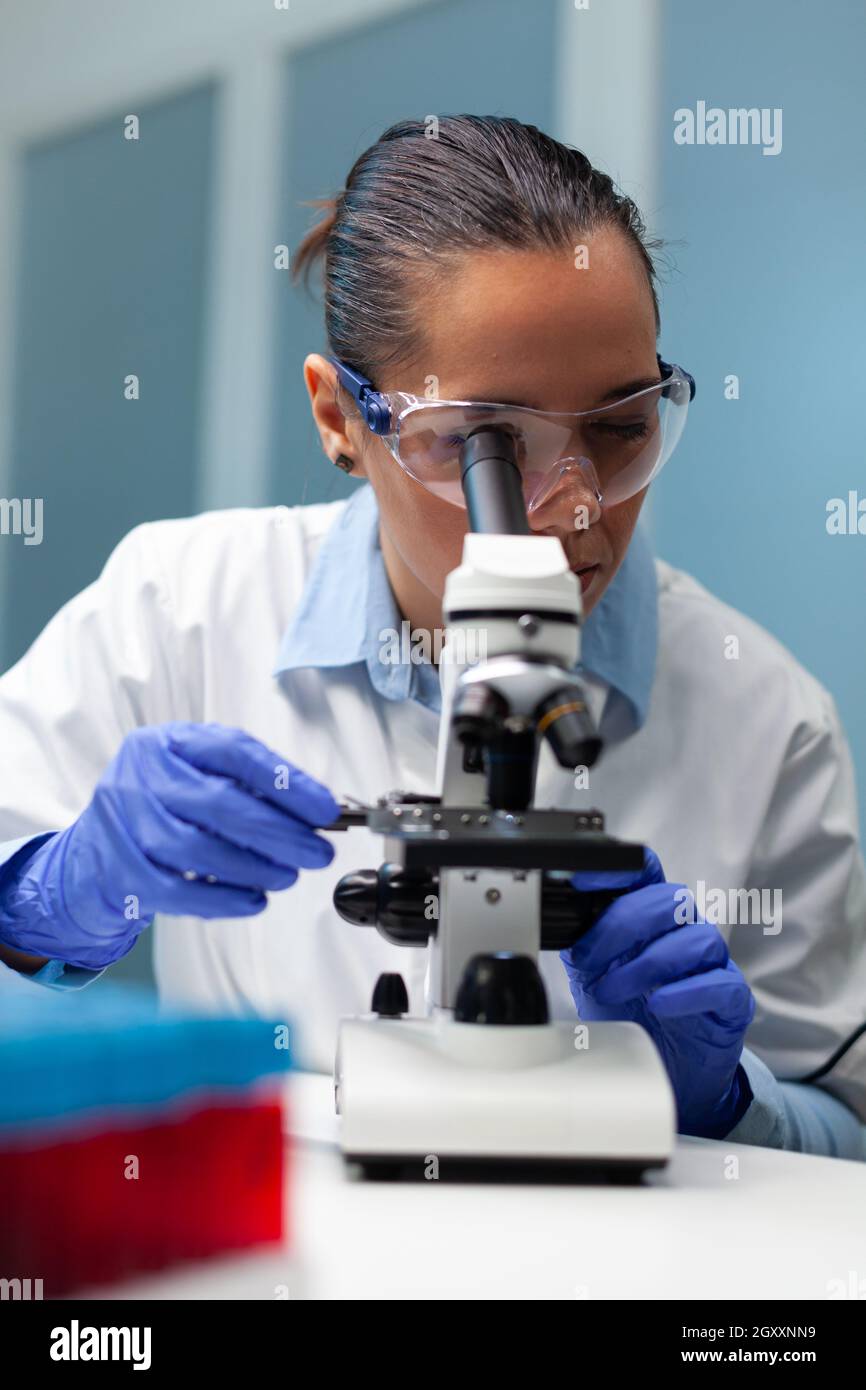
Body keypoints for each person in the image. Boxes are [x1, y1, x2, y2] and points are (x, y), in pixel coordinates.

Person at [0, 116, 863, 1157]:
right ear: (338, 418)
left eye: (618, 426)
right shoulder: (181, 601)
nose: (569, 509)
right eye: (482, 444)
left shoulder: (767, 719)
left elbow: (843, 1134)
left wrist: (721, 1099)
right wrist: (60, 896)